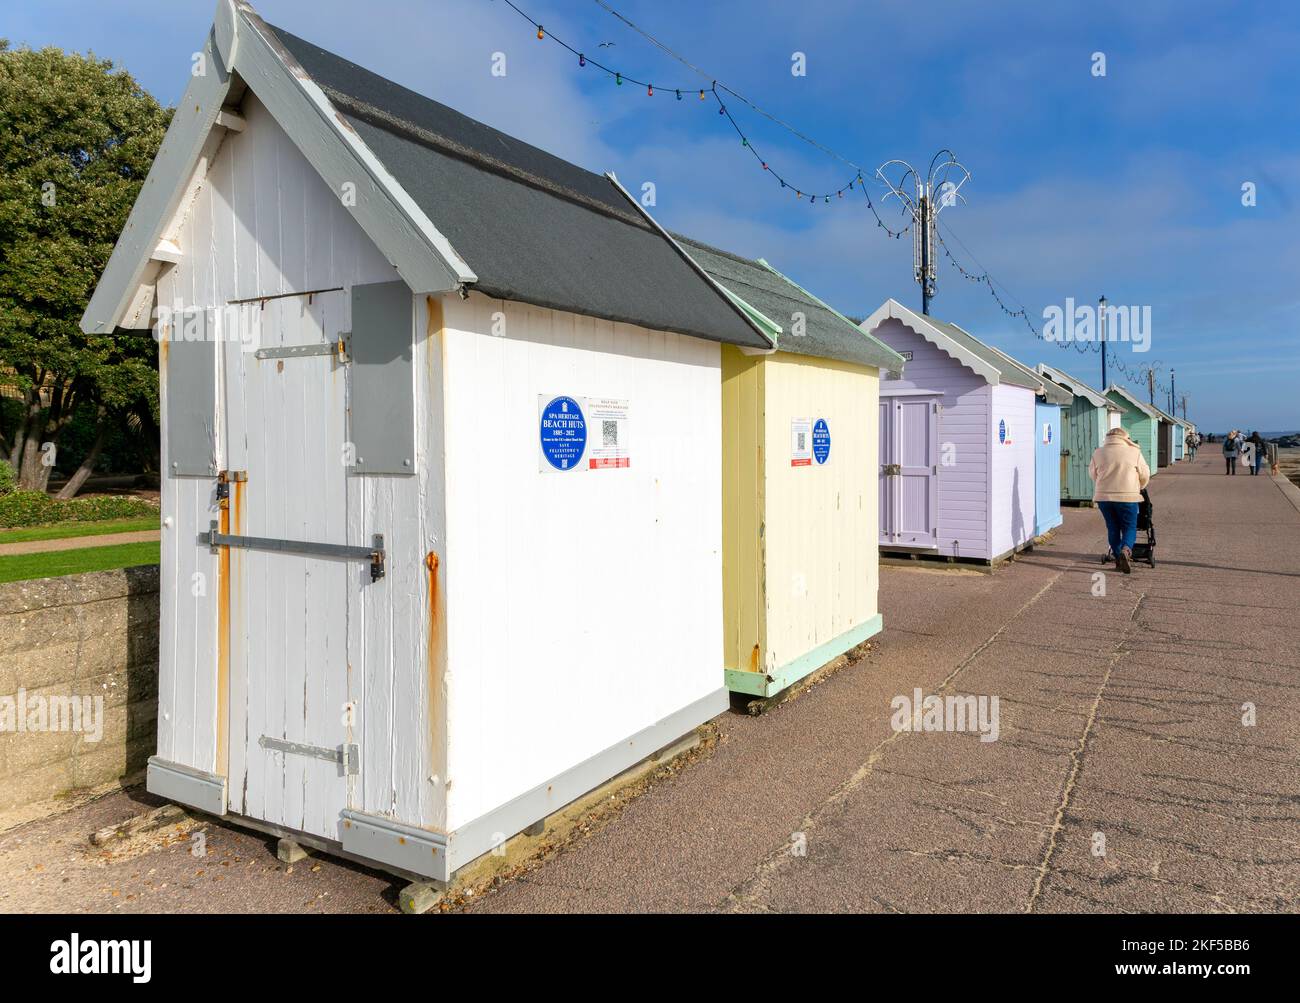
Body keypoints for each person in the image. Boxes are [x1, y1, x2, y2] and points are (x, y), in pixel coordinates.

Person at [1090, 426, 1151, 574]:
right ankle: (1126, 550)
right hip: (1128, 496)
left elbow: (1093, 474)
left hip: (1104, 497)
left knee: (1113, 527)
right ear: (1125, 438)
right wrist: (1139, 487)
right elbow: (1144, 474)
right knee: (1129, 526)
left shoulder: (1098, 452)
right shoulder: (1134, 452)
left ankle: (1118, 558)